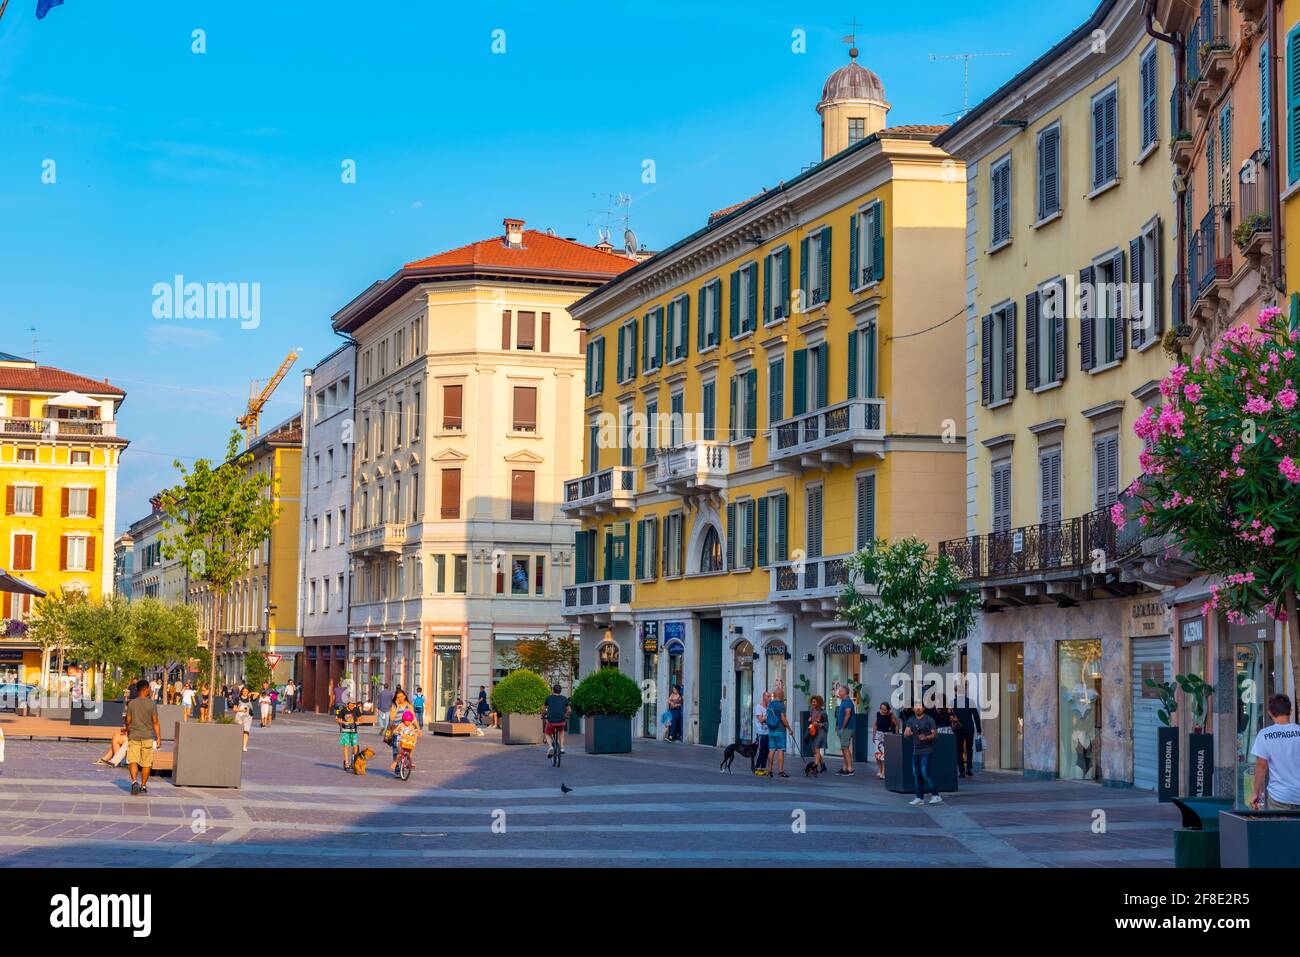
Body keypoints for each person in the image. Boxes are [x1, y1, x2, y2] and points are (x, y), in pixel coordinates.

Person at [1250, 693, 1300, 810]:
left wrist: (1255, 794)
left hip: (1279, 797)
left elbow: (1261, 767)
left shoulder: (1264, 735)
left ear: (1270, 713)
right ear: (1291, 711)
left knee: (1280, 828)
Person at [125, 679, 162, 796]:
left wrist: (128, 729)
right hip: (147, 737)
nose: (150, 690)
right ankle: (143, 785)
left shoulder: (131, 703)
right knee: (146, 763)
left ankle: (134, 781)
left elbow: (128, 721)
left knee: (132, 760)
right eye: (149, 689)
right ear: (146, 689)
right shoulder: (152, 704)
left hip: (134, 736)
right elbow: (155, 722)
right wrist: (159, 738)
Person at [904, 702, 941, 805]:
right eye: (916, 707)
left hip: (927, 750)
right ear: (913, 709)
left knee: (925, 772)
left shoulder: (929, 719)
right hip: (916, 750)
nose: (918, 709)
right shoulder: (911, 720)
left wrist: (926, 737)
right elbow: (906, 732)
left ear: (924, 708)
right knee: (917, 774)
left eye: (920, 707)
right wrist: (907, 733)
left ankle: (936, 795)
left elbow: (935, 734)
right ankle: (919, 798)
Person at [765, 689, 795, 778]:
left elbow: (767, 717)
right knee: (780, 750)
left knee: (771, 750)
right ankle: (781, 771)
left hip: (771, 731)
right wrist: (789, 729)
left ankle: (769, 770)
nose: (783, 695)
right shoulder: (781, 705)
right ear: (781, 695)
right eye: (783, 694)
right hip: (780, 730)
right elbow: (783, 718)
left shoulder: (770, 704)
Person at [951, 694, 983, 777]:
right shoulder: (970, 702)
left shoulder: (953, 702)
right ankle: (968, 768)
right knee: (969, 748)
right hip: (969, 729)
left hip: (959, 729)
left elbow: (950, 716)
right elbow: (976, 716)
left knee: (959, 750)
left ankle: (961, 771)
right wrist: (979, 729)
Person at [542, 683, 570, 757]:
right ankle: (562, 747)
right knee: (561, 730)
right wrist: (565, 716)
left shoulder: (548, 698)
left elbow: (544, 709)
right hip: (561, 720)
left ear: (552, 690)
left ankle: (550, 747)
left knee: (547, 733)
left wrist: (542, 715)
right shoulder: (564, 698)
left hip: (551, 721)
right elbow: (569, 710)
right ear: (560, 691)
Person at [834, 685, 856, 776]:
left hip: (847, 728)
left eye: (840, 691)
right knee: (843, 748)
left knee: (845, 748)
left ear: (845, 692)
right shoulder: (843, 701)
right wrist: (837, 726)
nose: (839, 692)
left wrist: (843, 727)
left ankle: (850, 768)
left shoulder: (848, 701)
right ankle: (845, 767)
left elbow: (848, 715)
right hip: (842, 728)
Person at [874, 702, 898, 779]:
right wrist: (873, 735)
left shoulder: (891, 715)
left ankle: (884, 772)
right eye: (881, 709)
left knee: (884, 756)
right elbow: (875, 724)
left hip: (887, 735)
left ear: (888, 710)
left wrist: (896, 735)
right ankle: (880, 769)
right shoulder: (878, 714)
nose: (882, 711)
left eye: (884, 710)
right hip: (878, 735)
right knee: (877, 755)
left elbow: (897, 725)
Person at [336, 699, 361, 772]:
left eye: (353, 705)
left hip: (354, 731)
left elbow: (360, 718)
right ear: (347, 704)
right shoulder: (343, 710)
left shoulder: (356, 709)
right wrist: (343, 722)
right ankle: (346, 763)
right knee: (346, 746)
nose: (352, 707)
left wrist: (358, 722)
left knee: (355, 746)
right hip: (345, 731)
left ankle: (354, 761)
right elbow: (338, 720)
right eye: (351, 705)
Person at [806, 695, 828, 774]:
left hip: (821, 732)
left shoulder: (823, 712)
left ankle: (814, 767)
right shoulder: (812, 711)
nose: (813, 703)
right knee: (814, 750)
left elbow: (826, 723)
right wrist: (810, 720)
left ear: (819, 702)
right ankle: (822, 765)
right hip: (813, 731)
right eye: (812, 702)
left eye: (815, 702)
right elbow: (811, 720)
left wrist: (821, 724)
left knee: (816, 748)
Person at [753, 691, 772, 776]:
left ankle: (763, 768)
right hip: (762, 733)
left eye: (770, 696)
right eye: (768, 696)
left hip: (769, 732)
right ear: (764, 697)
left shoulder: (770, 707)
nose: (770, 698)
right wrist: (768, 713)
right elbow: (761, 720)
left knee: (767, 751)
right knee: (762, 750)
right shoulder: (759, 707)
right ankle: (757, 767)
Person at [234, 687, 253, 752]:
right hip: (239, 716)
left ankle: (244, 746)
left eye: (246, 691)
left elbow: (258, 694)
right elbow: (234, 709)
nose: (245, 692)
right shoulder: (237, 699)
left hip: (248, 717)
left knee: (246, 730)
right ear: (241, 692)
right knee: (239, 731)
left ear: (248, 692)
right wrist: (241, 709)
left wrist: (251, 693)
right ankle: (238, 744)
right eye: (244, 691)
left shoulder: (250, 698)